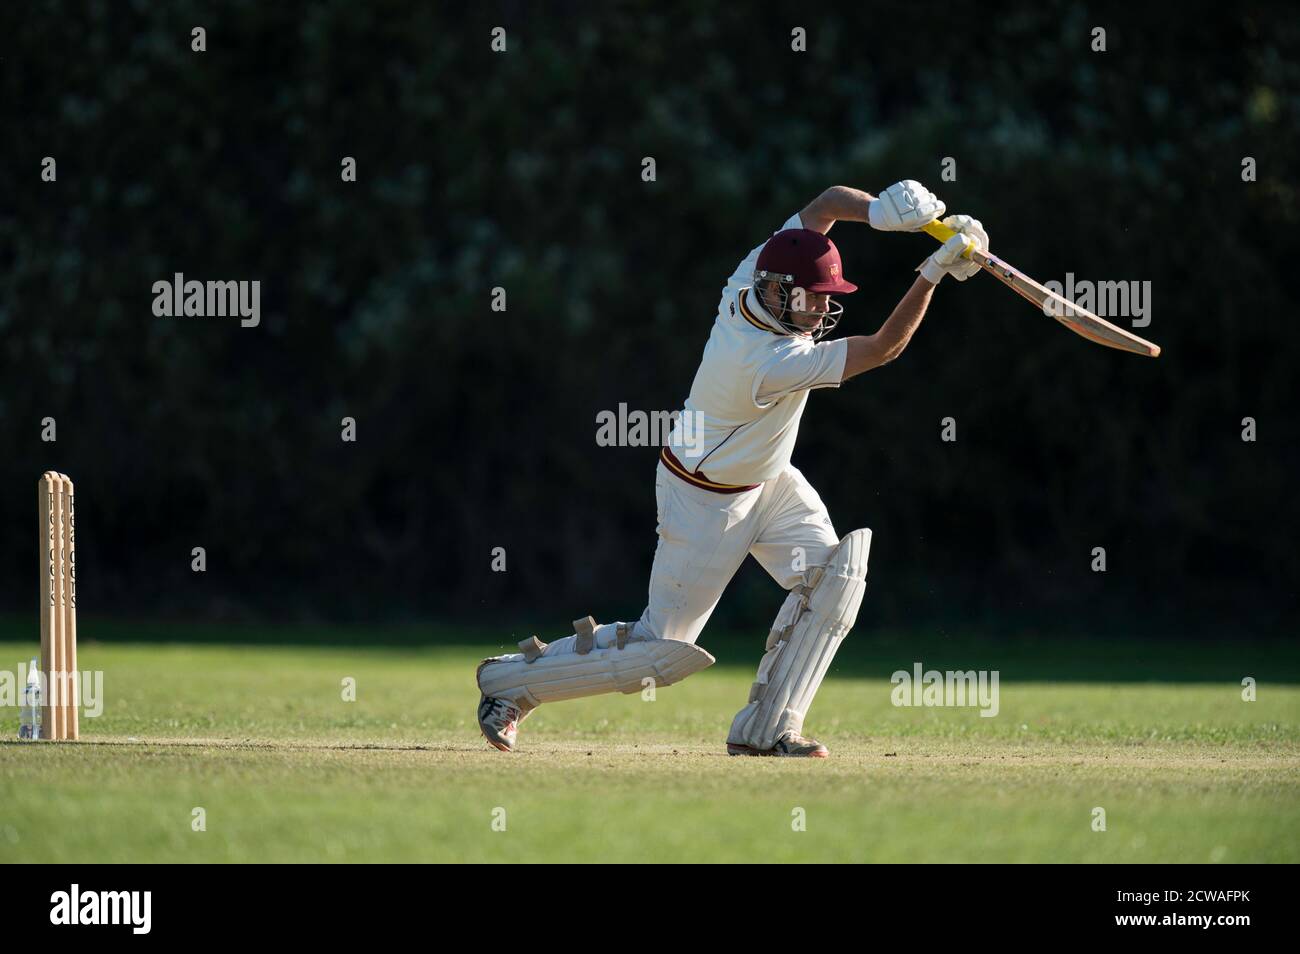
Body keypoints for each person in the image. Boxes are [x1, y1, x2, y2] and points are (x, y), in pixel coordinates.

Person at [477, 180, 987, 757]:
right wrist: (933, 271)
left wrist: (882, 215)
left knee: (834, 580)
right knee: (660, 653)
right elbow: (882, 347)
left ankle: (768, 730)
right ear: (779, 292)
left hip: (767, 479)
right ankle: (507, 683)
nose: (823, 308)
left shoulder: (751, 276)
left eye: (827, 295)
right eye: (814, 297)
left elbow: (824, 206)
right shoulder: (769, 360)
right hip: (704, 499)